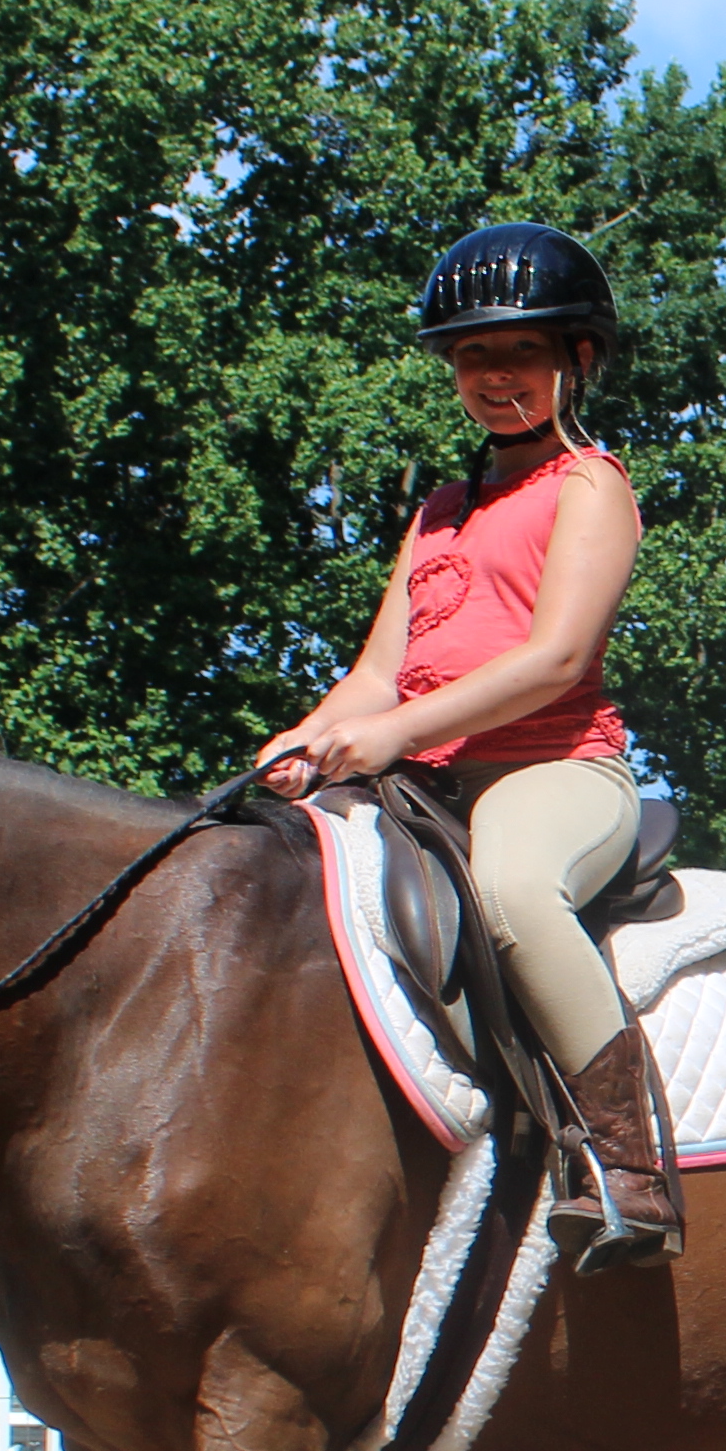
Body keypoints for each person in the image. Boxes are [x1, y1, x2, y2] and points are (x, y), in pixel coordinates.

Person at [255, 223, 678, 1267]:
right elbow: (375, 672)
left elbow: (552, 659)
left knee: (516, 898)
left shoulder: (592, 488)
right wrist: (307, 738)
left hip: (555, 767)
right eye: (472, 358)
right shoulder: (441, 510)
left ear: (575, 360)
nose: (493, 379)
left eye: (518, 355)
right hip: (427, 774)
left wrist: (387, 734)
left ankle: (631, 1166)